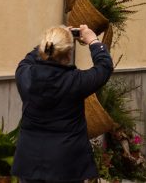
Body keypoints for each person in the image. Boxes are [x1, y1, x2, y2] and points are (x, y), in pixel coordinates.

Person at [11, 24, 113, 183]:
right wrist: (92, 40)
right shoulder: (76, 81)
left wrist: (52, 41)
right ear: (68, 54)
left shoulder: (25, 76)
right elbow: (104, 67)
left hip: (30, 162)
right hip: (67, 164)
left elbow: (27, 59)